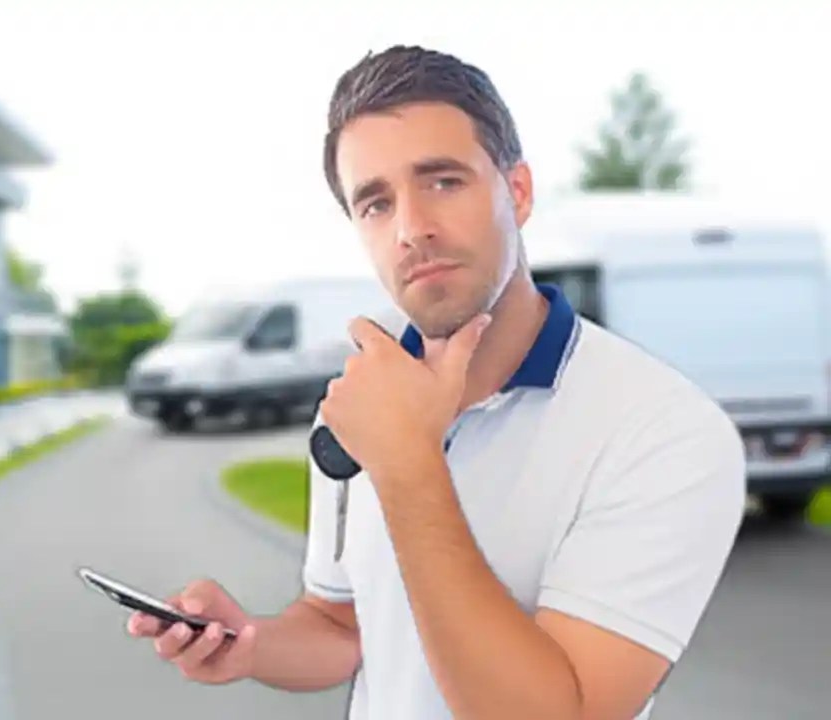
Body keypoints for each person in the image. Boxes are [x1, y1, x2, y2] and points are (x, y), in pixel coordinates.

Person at [126, 44, 746, 719]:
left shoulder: (664, 431)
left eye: (443, 181)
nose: (411, 230)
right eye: (375, 204)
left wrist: (407, 464)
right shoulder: (357, 407)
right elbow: (341, 625)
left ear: (518, 191)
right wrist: (250, 646)